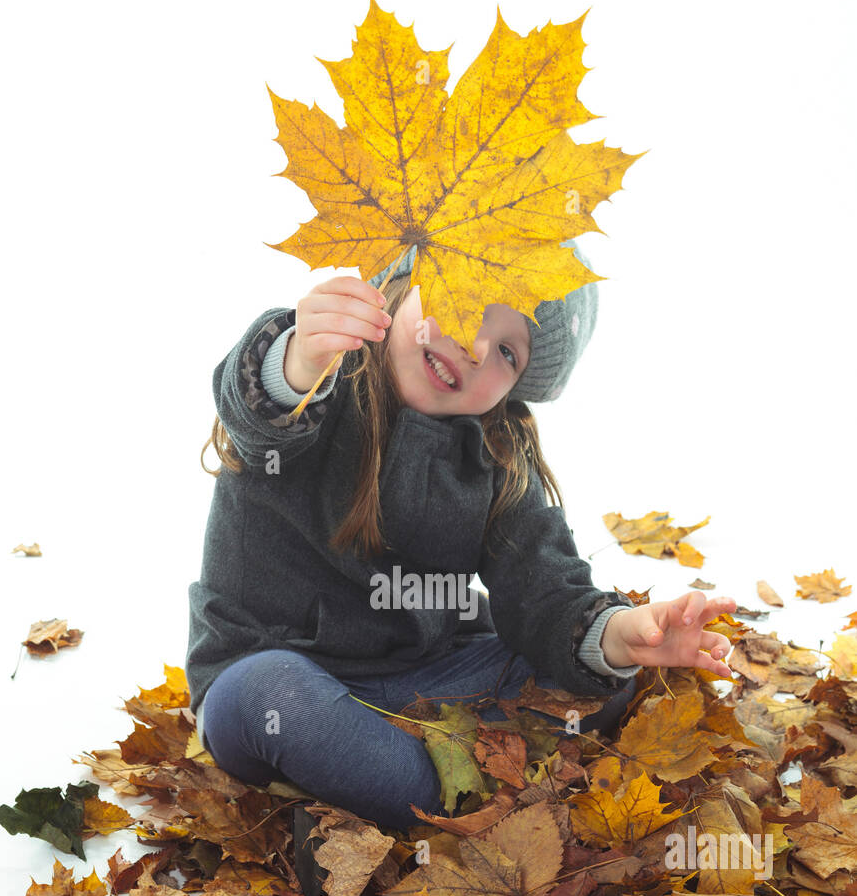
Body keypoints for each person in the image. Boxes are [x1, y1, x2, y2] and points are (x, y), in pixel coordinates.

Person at [185, 241, 736, 834]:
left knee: (599, 687)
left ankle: (367, 791)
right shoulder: (320, 383)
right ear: (401, 283)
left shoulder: (497, 457)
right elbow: (258, 422)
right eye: (469, 302)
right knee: (273, 697)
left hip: (427, 684)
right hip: (275, 675)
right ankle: (428, 801)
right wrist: (297, 358)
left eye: (507, 352)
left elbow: (545, 592)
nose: (476, 350)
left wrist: (623, 636)